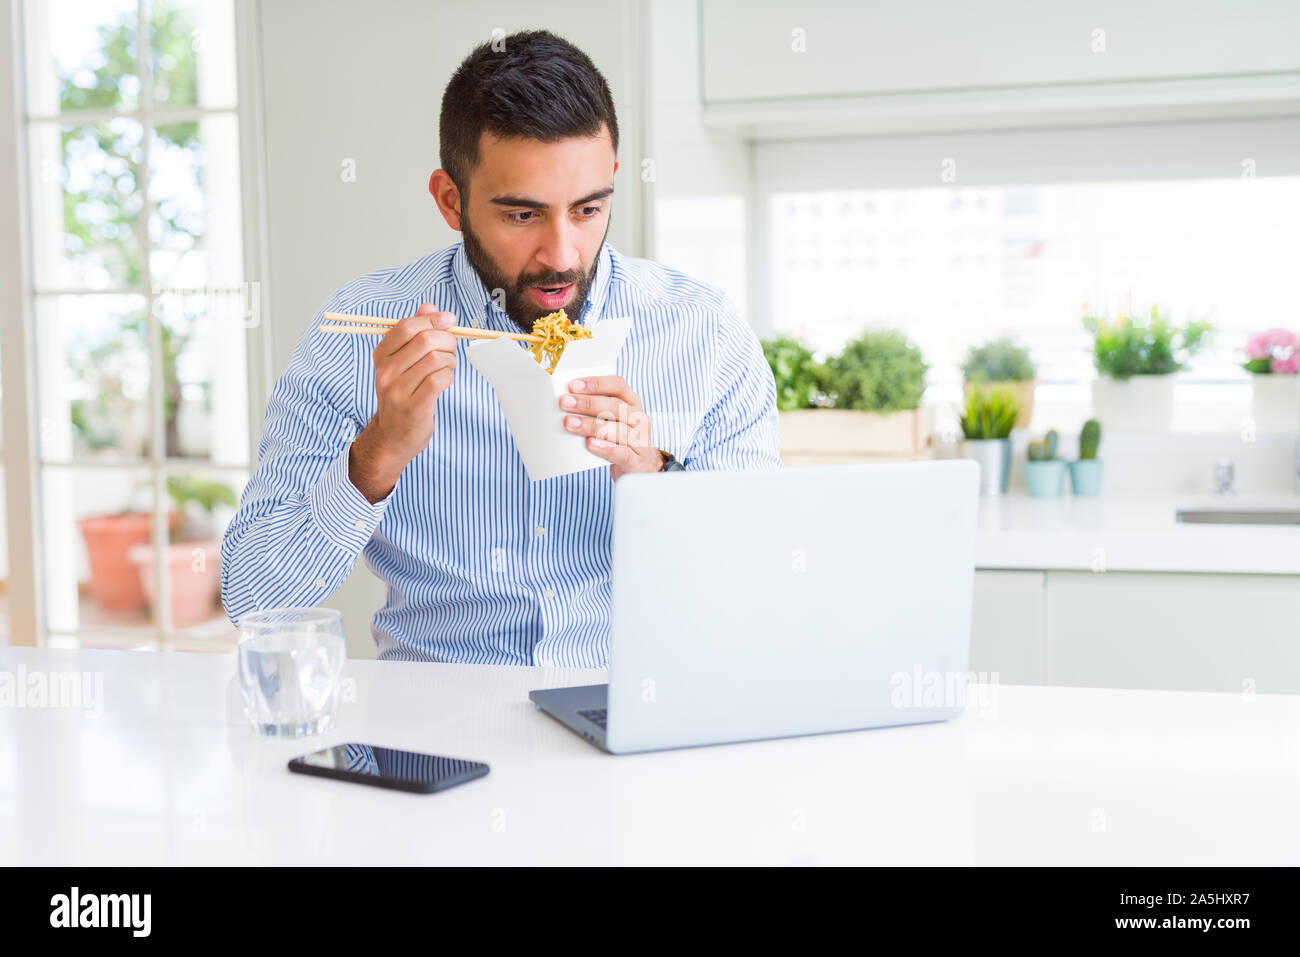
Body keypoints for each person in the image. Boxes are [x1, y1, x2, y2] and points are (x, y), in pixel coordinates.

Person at [221, 29, 780, 665]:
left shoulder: (701, 332)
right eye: (522, 215)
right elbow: (252, 598)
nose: (563, 255)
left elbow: (759, 582)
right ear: (451, 201)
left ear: (614, 180)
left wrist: (652, 477)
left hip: (634, 718)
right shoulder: (362, 329)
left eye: (589, 209)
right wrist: (378, 454)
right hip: (433, 736)